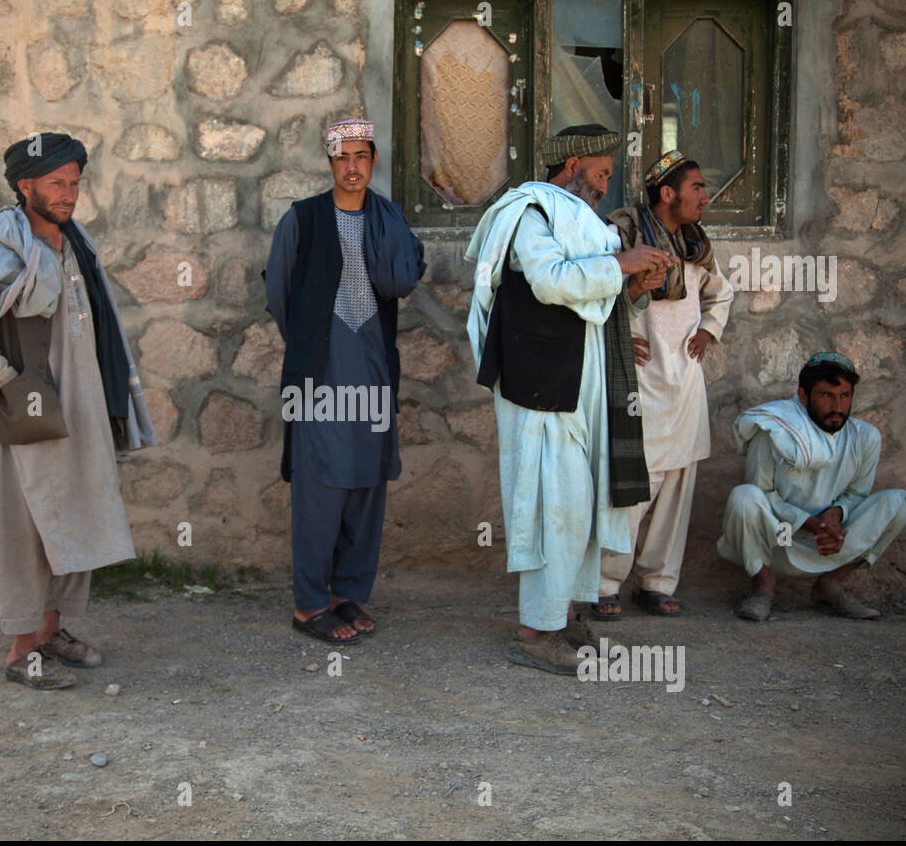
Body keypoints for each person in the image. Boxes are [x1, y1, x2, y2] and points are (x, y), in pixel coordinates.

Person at [0, 133, 156, 688]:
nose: (68, 193)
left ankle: (51, 631)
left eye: (75, 183)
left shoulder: (76, 242)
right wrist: (10, 394)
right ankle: (20, 650)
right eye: (57, 183)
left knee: (76, 517)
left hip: (81, 408)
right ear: (25, 185)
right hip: (27, 413)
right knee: (25, 529)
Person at [465, 124, 675, 674]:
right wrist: (622, 265)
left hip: (584, 390)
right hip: (540, 390)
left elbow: (596, 304)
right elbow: (551, 282)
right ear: (573, 163)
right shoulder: (529, 214)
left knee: (581, 506)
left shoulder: (588, 227)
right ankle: (536, 632)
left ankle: (567, 614)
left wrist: (633, 287)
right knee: (549, 508)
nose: (606, 187)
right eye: (602, 174)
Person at [265, 118, 426, 645]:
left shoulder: (387, 217)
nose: (352, 166)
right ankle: (309, 604)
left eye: (361, 156)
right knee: (320, 485)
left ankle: (345, 593)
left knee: (366, 480)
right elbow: (281, 294)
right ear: (329, 162)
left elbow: (404, 275)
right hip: (319, 373)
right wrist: (317, 340)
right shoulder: (303, 220)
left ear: (373, 160)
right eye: (342, 157)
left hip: (373, 368)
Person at [595, 150, 734, 618]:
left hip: (685, 382)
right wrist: (616, 336)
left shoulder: (695, 244)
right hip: (640, 380)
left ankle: (656, 582)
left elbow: (720, 292)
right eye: (697, 188)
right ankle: (604, 583)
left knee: (678, 485)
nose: (705, 197)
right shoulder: (622, 237)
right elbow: (595, 288)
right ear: (667, 193)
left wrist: (708, 329)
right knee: (630, 486)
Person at [717, 353, 906, 621]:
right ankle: (763, 585)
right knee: (744, 496)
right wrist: (809, 523)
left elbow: (857, 493)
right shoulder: (776, 432)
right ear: (803, 395)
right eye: (827, 395)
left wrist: (835, 515)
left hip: (831, 544)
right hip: (778, 541)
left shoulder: (865, 438)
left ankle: (830, 585)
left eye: (844, 395)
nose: (838, 406)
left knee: (898, 505)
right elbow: (762, 493)